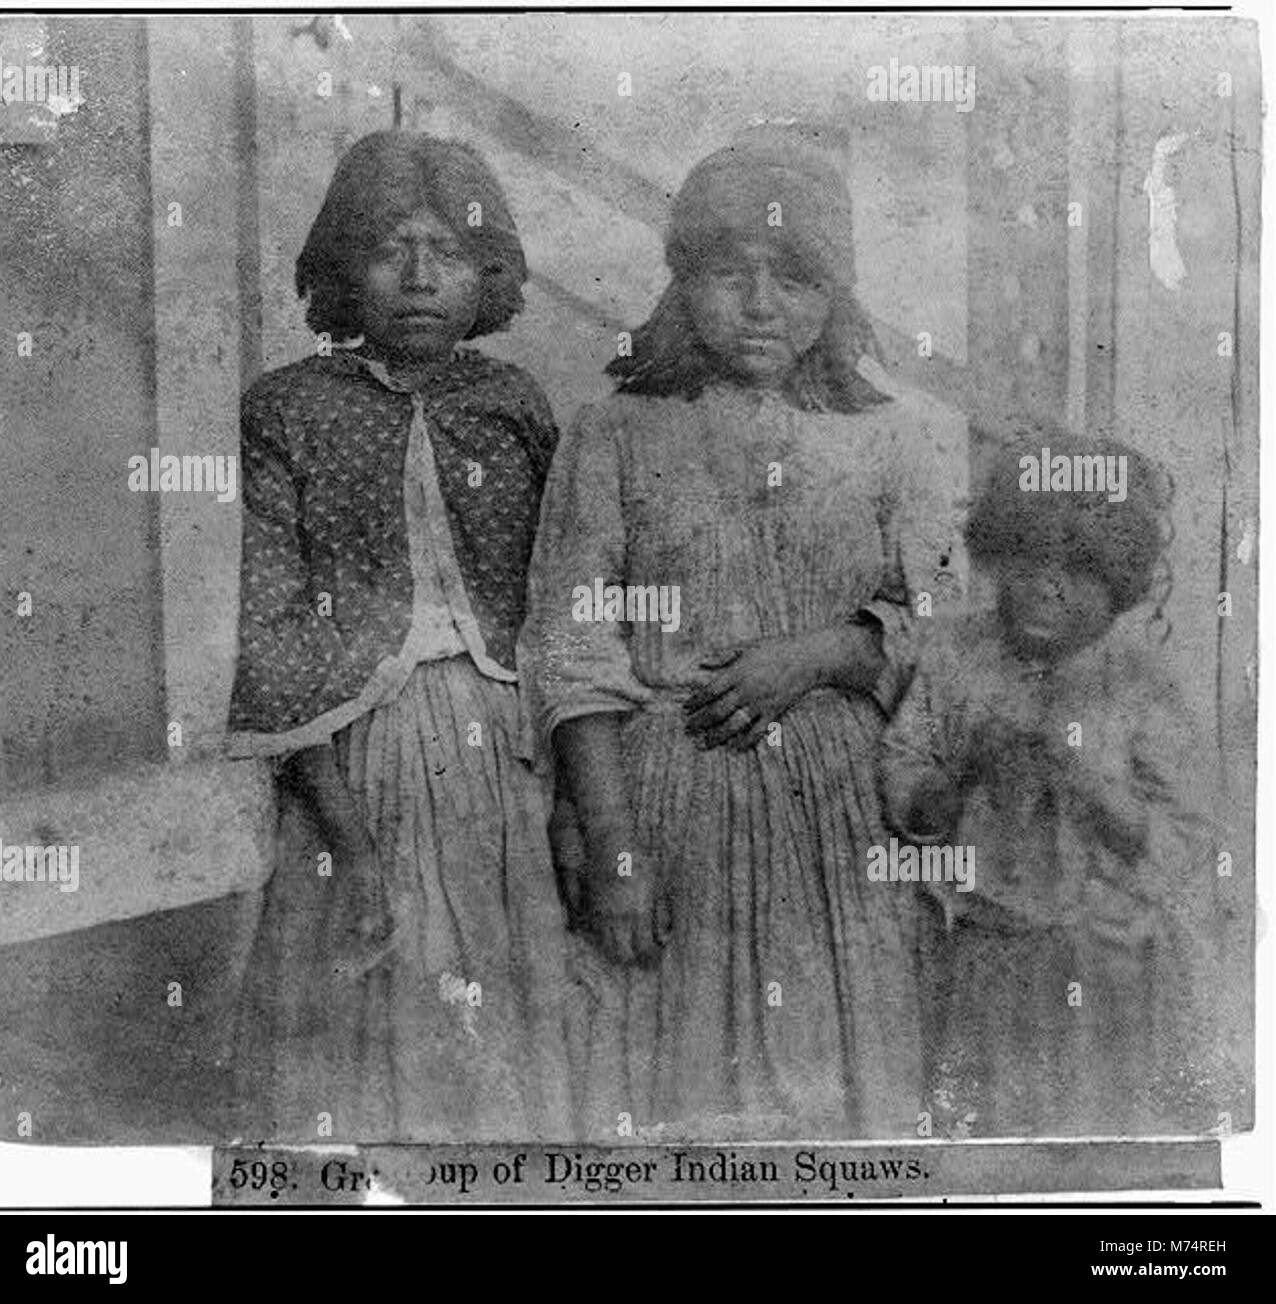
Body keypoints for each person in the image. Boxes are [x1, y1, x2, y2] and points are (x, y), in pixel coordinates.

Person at [520, 131, 968, 1140]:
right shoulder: (616, 429)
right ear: (684, 284)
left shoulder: (895, 437)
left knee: (838, 1085)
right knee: (671, 1079)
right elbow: (570, 644)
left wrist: (811, 655)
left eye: (795, 278)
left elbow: (939, 628)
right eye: (730, 274)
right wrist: (615, 843)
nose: (762, 305)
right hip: (671, 795)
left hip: (840, 808)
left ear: (834, 293)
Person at [226, 132, 573, 1142]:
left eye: (451, 252)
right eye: (388, 250)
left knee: (507, 1003)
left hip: (506, 751)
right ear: (343, 268)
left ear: (489, 274)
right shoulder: (286, 409)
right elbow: (273, 627)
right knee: (364, 984)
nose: (421, 277)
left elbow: (556, 600)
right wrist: (347, 839)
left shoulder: (513, 405)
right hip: (350, 753)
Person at [881, 424, 1232, 1135]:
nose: (1047, 585)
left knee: (1098, 1125)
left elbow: (1189, 833)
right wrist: (964, 777)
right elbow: (904, 770)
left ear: (1122, 584)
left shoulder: (1140, 679)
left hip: (1109, 960)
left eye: (1079, 570)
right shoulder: (956, 655)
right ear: (998, 556)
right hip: (984, 952)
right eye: (1029, 560)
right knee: (987, 1127)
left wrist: (1089, 786)